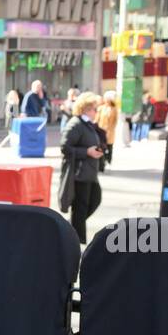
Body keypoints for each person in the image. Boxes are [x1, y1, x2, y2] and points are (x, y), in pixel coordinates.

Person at [59, 92, 104, 245]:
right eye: (94, 109)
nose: (96, 112)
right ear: (85, 109)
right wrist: (87, 152)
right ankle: (78, 239)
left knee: (94, 200)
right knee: (81, 207)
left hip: (89, 172)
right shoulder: (76, 123)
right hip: (80, 174)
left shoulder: (87, 124)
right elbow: (65, 147)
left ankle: (72, 229)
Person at [94, 90, 119, 164]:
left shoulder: (114, 109)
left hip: (110, 131)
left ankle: (109, 159)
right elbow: (97, 119)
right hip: (101, 130)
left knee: (109, 146)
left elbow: (115, 120)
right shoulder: (101, 108)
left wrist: (111, 128)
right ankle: (102, 161)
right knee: (101, 146)